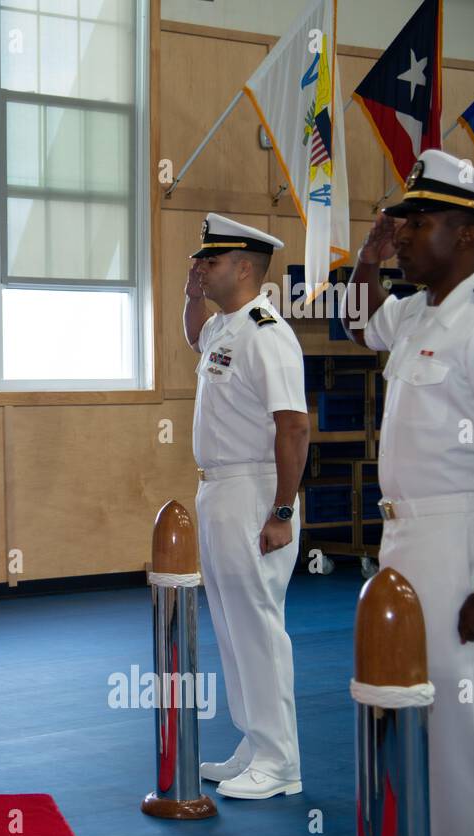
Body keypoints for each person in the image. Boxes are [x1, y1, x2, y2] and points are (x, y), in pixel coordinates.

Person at [340, 149, 474, 836]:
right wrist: (369, 255)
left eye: (418, 220)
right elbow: (352, 324)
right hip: (405, 542)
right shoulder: (417, 312)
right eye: (401, 220)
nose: (402, 231)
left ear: (467, 235)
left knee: (473, 735)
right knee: (418, 723)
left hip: (465, 544)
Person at [182, 214, 310, 800]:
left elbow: (294, 425)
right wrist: (190, 298)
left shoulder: (266, 331)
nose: (200, 266)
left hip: (256, 491)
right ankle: (254, 743)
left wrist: (281, 510)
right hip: (219, 490)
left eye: (210, 260)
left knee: (258, 626)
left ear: (243, 267)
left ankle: (281, 761)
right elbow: (193, 338)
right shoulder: (223, 327)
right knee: (233, 629)